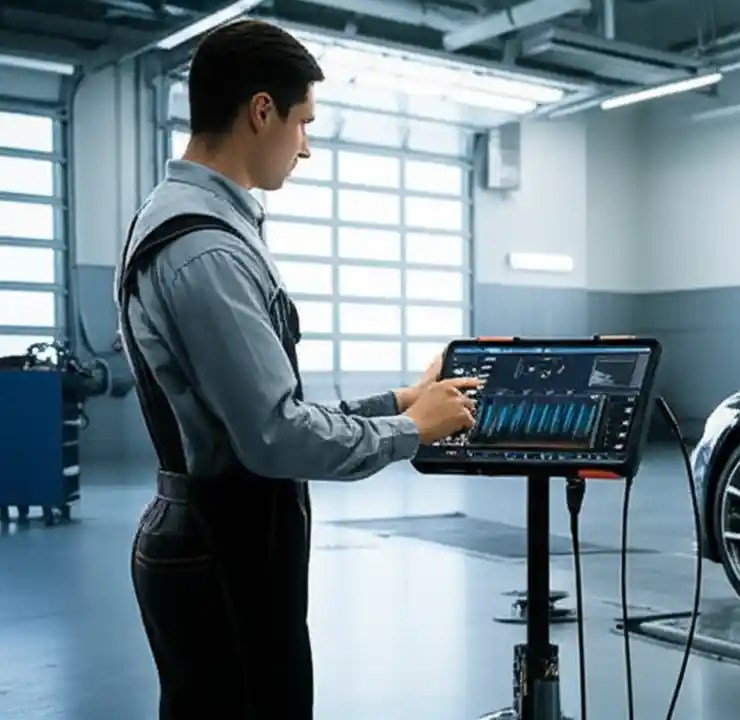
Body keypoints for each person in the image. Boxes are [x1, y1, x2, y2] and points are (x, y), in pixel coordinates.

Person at [114, 18, 479, 720]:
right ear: (261, 111)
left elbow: (258, 408)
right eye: (303, 122)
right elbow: (273, 436)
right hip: (227, 549)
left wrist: (402, 398)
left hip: (216, 533)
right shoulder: (208, 253)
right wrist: (410, 431)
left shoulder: (185, 223)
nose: (306, 146)